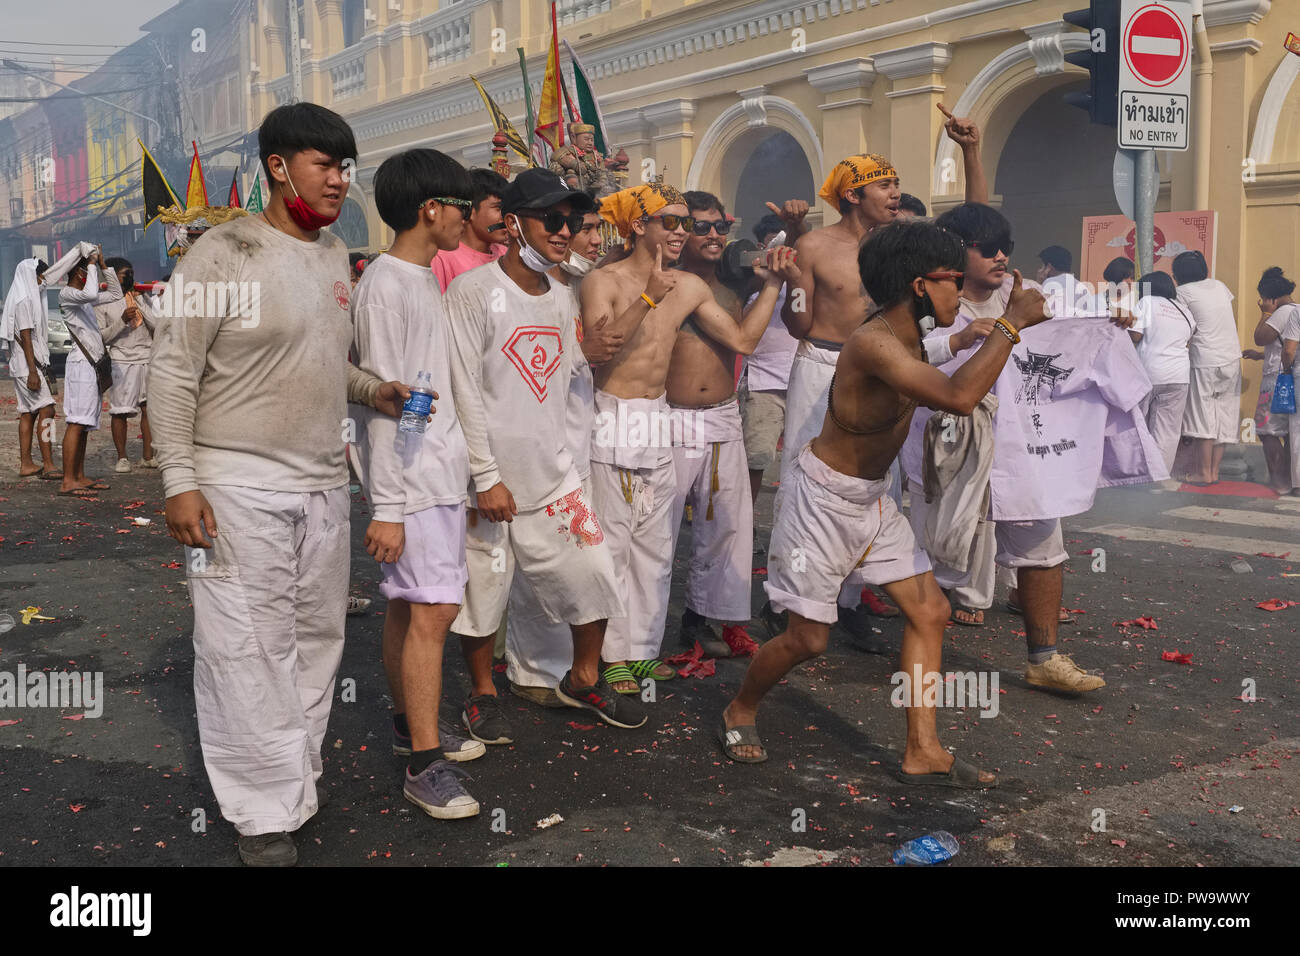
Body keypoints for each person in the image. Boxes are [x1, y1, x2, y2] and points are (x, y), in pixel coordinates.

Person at [149, 102, 414, 866]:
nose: (339, 181)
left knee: (313, 641)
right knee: (241, 644)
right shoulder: (219, 254)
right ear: (278, 166)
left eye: (345, 168)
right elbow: (172, 372)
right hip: (233, 487)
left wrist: (374, 391)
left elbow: (329, 366)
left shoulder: (335, 256)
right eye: (324, 165)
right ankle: (261, 811)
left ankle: (293, 776)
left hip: (323, 487)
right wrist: (178, 481)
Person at [719, 219, 1049, 777]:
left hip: (871, 501)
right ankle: (740, 705)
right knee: (808, 639)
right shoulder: (874, 343)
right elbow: (958, 397)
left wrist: (977, 334)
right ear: (920, 285)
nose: (961, 291)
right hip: (820, 502)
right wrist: (1011, 326)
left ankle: (923, 748)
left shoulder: (906, 334)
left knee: (931, 610)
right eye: (951, 280)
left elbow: (934, 356)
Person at [445, 167, 646, 729]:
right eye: (551, 220)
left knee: (593, 572)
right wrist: (484, 476)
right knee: (483, 591)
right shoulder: (473, 292)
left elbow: (559, 377)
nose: (564, 232)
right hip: (489, 481)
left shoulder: (561, 297)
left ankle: (583, 678)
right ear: (511, 224)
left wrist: (588, 353)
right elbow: (463, 387)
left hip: (554, 477)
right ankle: (484, 692)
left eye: (572, 222)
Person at [778, 106, 988, 638]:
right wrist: (787, 277)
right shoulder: (815, 246)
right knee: (810, 477)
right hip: (824, 365)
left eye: (896, 183)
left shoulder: (902, 243)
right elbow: (798, 322)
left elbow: (970, 233)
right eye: (883, 184)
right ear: (852, 194)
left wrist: (969, 153)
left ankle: (852, 597)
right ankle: (798, 596)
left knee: (878, 480)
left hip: (891, 363)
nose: (895, 193)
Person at [581, 182, 796, 693]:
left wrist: (768, 285)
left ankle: (640, 653)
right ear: (639, 226)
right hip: (614, 415)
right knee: (615, 545)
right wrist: (649, 298)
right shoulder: (601, 282)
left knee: (655, 550)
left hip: (659, 416)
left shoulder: (690, 287)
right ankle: (608, 655)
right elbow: (599, 353)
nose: (682, 232)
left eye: (687, 223)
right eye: (672, 222)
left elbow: (742, 339)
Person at [350, 148, 487, 820]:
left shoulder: (420, 276)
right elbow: (386, 404)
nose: (469, 219)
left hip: (437, 471)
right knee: (434, 610)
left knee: (410, 607)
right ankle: (424, 768)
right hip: (414, 477)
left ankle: (413, 730)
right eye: (462, 207)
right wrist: (391, 507)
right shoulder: (386, 285)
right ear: (430, 210)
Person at [501, 203, 621, 707]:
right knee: (528, 570)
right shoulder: (518, 292)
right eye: (579, 229)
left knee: (581, 560)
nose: (588, 239)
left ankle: (578, 670)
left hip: (574, 439)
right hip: (529, 448)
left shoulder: (574, 289)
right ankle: (529, 672)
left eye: (594, 229)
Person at [666, 191, 765, 660]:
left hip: (723, 415)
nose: (712, 235)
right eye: (700, 227)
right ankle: (631, 634)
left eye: (720, 227)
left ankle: (710, 620)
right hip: (666, 418)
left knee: (727, 524)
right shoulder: (660, 281)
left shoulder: (737, 280)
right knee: (656, 531)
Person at [740, 213, 799, 507]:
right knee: (756, 458)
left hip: (802, 379)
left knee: (804, 458)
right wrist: (765, 278)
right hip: (763, 380)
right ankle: (746, 527)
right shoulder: (750, 281)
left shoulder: (802, 277)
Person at [1173, 250, 1241, 485]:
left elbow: (1182, 326)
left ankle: (1203, 473)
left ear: (1178, 274)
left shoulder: (1182, 293)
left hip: (1204, 359)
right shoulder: (1219, 286)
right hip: (1231, 356)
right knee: (1224, 416)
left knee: (1203, 417)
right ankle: (1214, 472)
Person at [58, 247, 121, 496]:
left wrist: (104, 265)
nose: (88, 272)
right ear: (76, 271)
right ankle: (67, 480)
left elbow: (116, 293)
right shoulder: (68, 294)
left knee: (84, 424)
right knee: (76, 422)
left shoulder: (83, 296)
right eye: (84, 268)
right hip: (81, 366)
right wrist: (93, 264)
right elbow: (92, 292)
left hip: (91, 366)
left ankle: (79, 476)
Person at [1127, 271, 1195, 473]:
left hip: (1149, 373)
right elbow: (1188, 341)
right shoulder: (1185, 311)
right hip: (1179, 376)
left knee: (1137, 424)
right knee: (1167, 430)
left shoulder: (1146, 302)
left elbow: (1136, 336)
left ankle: (1135, 473)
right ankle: (1159, 475)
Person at [2, 257, 61, 480]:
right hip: (29, 366)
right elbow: (26, 337)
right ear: (30, 276)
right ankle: (48, 464)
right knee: (47, 409)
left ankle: (26, 463)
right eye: (40, 277)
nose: (42, 282)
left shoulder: (22, 297)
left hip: (24, 365)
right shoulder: (24, 300)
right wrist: (34, 372)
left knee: (28, 414)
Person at [98, 257, 158, 473]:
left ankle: (148, 456)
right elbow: (101, 336)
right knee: (120, 411)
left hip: (147, 356)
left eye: (132, 273)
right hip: (122, 360)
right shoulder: (102, 301)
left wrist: (140, 302)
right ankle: (122, 457)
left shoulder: (143, 297)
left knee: (148, 409)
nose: (130, 278)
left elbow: (158, 326)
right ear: (113, 276)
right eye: (126, 274)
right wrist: (122, 320)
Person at [1250, 267, 1297, 493]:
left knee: (1265, 429)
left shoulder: (1280, 313)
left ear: (1271, 297)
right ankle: (1290, 478)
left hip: (1276, 380)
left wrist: (1265, 313)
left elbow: (1260, 337)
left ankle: (1279, 482)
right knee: (1289, 432)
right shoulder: (1297, 310)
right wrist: (1261, 355)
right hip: (1292, 378)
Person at [431, 167, 507, 292]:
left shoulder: (505, 256)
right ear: (470, 211)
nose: (505, 217)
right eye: (498, 209)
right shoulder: (443, 259)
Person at [1036, 245, 1093, 317]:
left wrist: (1038, 284)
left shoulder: (1049, 283)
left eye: (1042, 266)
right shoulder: (1083, 287)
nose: (1039, 270)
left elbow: (1036, 311)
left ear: (1049, 267)